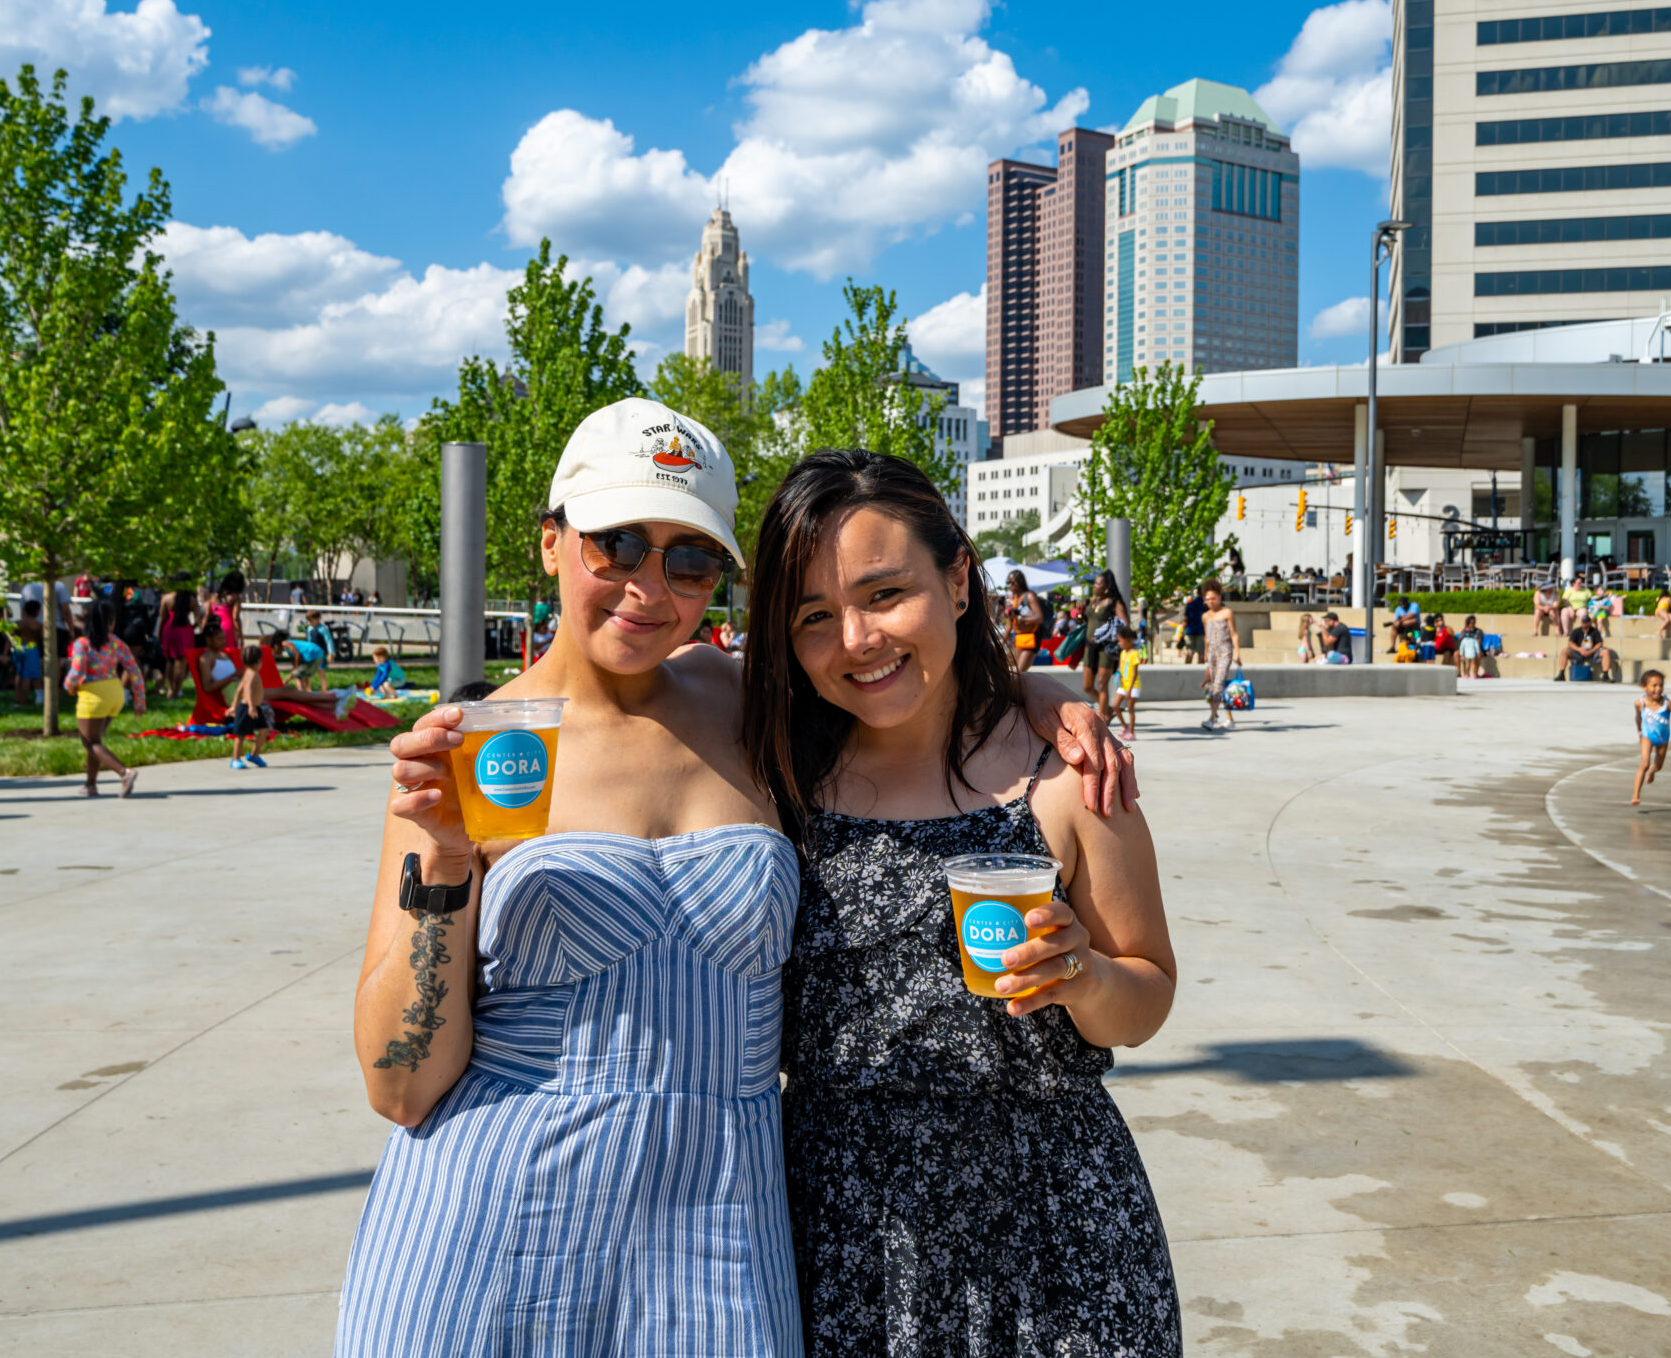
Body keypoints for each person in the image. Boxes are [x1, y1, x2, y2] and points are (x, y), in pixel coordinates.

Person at [339, 400, 1129, 1354]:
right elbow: (400, 1085)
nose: (648, 586)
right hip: (494, 1220)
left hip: (713, 1235)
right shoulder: (470, 750)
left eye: (689, 560)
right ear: (552, 543)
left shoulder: (750, 703)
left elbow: (885, 667)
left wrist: (1043, 695)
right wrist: (448, 867)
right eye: (617, 544)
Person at [738, 448, 1180, 1355]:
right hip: (840, 1231)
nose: (857, 639)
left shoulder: (1066, 773)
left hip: (1054, 1228)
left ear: (958, 579)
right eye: (815, 615)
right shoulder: (773, 774)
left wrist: (1085, 974)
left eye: (885, 594)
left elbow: (1149, 991)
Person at [63, 598, 146, 797]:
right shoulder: (117, 642)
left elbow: (76, 672)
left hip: (94, 696)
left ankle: (124, 773)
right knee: (96, 741)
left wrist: (68, 687)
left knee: (90, 742)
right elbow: (134, 670)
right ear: (110, 621)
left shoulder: (82, 644)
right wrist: (140, 699)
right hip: (115, 692)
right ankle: (90, 784)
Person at [1629, 669, 1671, 805]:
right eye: (1654, 685)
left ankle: (1652, 771)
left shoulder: (1667, 704)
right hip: (1647, 736)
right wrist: (1639, 730)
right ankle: (1635, 795)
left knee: (1658, 766)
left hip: (1663, 739)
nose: (1658, 689)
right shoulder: (1640, 703)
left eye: (1660, 685)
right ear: (1644, 687)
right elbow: (1638, 718)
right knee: (1644, 763)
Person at [1082, 570, 1132, 714]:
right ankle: (1108, 709)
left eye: (1098, 583)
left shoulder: (1114, 603)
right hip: (1090, 647)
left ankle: (1102, 718)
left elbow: (1124, 625)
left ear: (1106, 587)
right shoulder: (1094, 601)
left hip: (1106, 648)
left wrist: (1105, 634)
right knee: (1087, 686)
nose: (1094, 586)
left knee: (1102, 684)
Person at [1199, 578, 1240, 732]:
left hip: (1225, 652)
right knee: (1216, 686)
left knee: (1218, 685)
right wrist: (1205, 655)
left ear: (1219, 597)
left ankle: (1212, 719)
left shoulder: (1227, 612)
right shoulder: (1205, 616)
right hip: (1212, 654)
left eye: (1213, 598)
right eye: (1207, 599)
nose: (1210, 601)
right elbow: (1206, 638)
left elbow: (1234, 634)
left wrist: (1237, 653)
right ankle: (1229, 718)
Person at [227, 646, 271, 770]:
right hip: (247, 708)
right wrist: (250, 707)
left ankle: (254, 755)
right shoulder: (252, 675)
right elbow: (247, 690)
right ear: (258, 661)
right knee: (240, 735)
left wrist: (233, 706)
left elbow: (239, 689)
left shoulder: (248, 672)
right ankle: (235, 759)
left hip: (255, 708)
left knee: (264, 730)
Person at [156, 587, 196, 699]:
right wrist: (191, 628)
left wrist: (159, 633)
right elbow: (197, 620)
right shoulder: (192, 600)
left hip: (170, 630)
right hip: (185, 631)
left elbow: (162, 618)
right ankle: (177, 690)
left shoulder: (166, 598)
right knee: (182, 662)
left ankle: (170, 688)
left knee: (170, 661)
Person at [1111, 620, 1142, 740]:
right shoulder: (1123, 653)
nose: (1119, 643)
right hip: (1123, 685)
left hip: (1132, 686)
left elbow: (1134, 673)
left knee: (1131, 709)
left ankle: (1132, 732)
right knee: (1115, 706)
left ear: (1128, 640)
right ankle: (1125, 726)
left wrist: (1130, 689)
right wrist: (1118, 675)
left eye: (1120, 640)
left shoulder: (1134, 654)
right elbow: (1121, 667)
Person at [13, 600, 46, 707]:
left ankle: (17, 699)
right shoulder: (38, 624)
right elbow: (44, 639)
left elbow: (12, 638)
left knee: (18, 675)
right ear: (37, 611)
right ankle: (23, 701)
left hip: (18, 648)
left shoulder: (18, 623)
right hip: (31, 648)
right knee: (27, 676)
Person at [1563, 618, 1616, 682]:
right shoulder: (1576, 631)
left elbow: (1599, 644)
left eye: (1586, 622)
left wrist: (1591, 651)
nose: (1584, 624)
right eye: (1583, 622)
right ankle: (1561, 674)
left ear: (1590, 622)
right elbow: (1570, 643)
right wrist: (1579, 650)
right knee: (1564, 651)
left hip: (1592, 653)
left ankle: (1605, 676)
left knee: (1606, 652)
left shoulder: (1595, 631)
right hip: (1578, 653)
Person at [1179, 586, 1207, 666]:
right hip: (1201, 631)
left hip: (1190, 630)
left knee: (1189, 653)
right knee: (1201, 654)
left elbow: (1185, 619)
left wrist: (1182, 632)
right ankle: (1200, 673)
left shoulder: (1190, 604)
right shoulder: (1205, 605)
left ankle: (1187, 672)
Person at [1456, 614, 1486, 679]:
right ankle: (1459, 673)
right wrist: (1463, 634)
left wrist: (1473, 650)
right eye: (1470, 623)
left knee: (1476, 656)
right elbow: (1460, 642)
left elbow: (1479, 643)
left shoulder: (1479, 631)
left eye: (1473, 623)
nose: (1472, 624)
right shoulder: (1465, 631)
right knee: (1456, 654)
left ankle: (1475, 673)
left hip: (1475, 649)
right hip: (1466, 649)